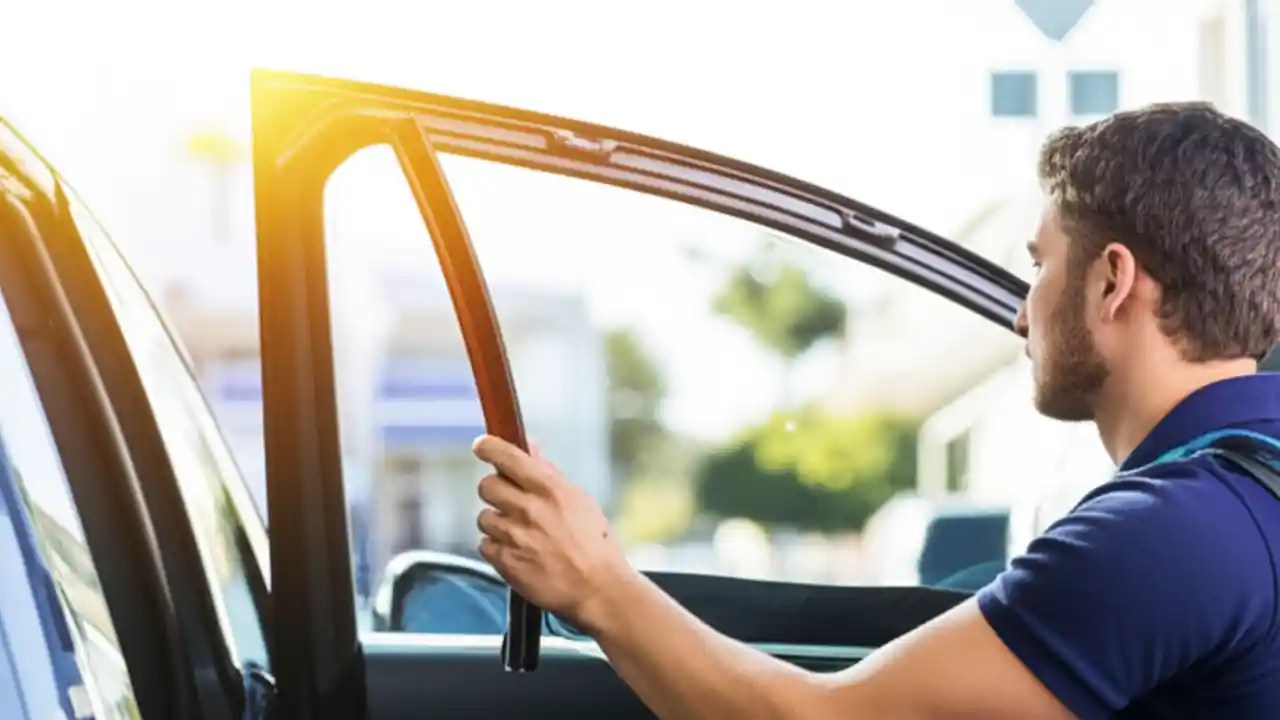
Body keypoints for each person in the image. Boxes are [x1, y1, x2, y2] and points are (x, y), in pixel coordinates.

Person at [471, 102, 1280, 718]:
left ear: (1111, 281)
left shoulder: (1170, 533)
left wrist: (596, 586)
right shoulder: (1243, 493)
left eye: (1039, 265)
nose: (1021, 313)